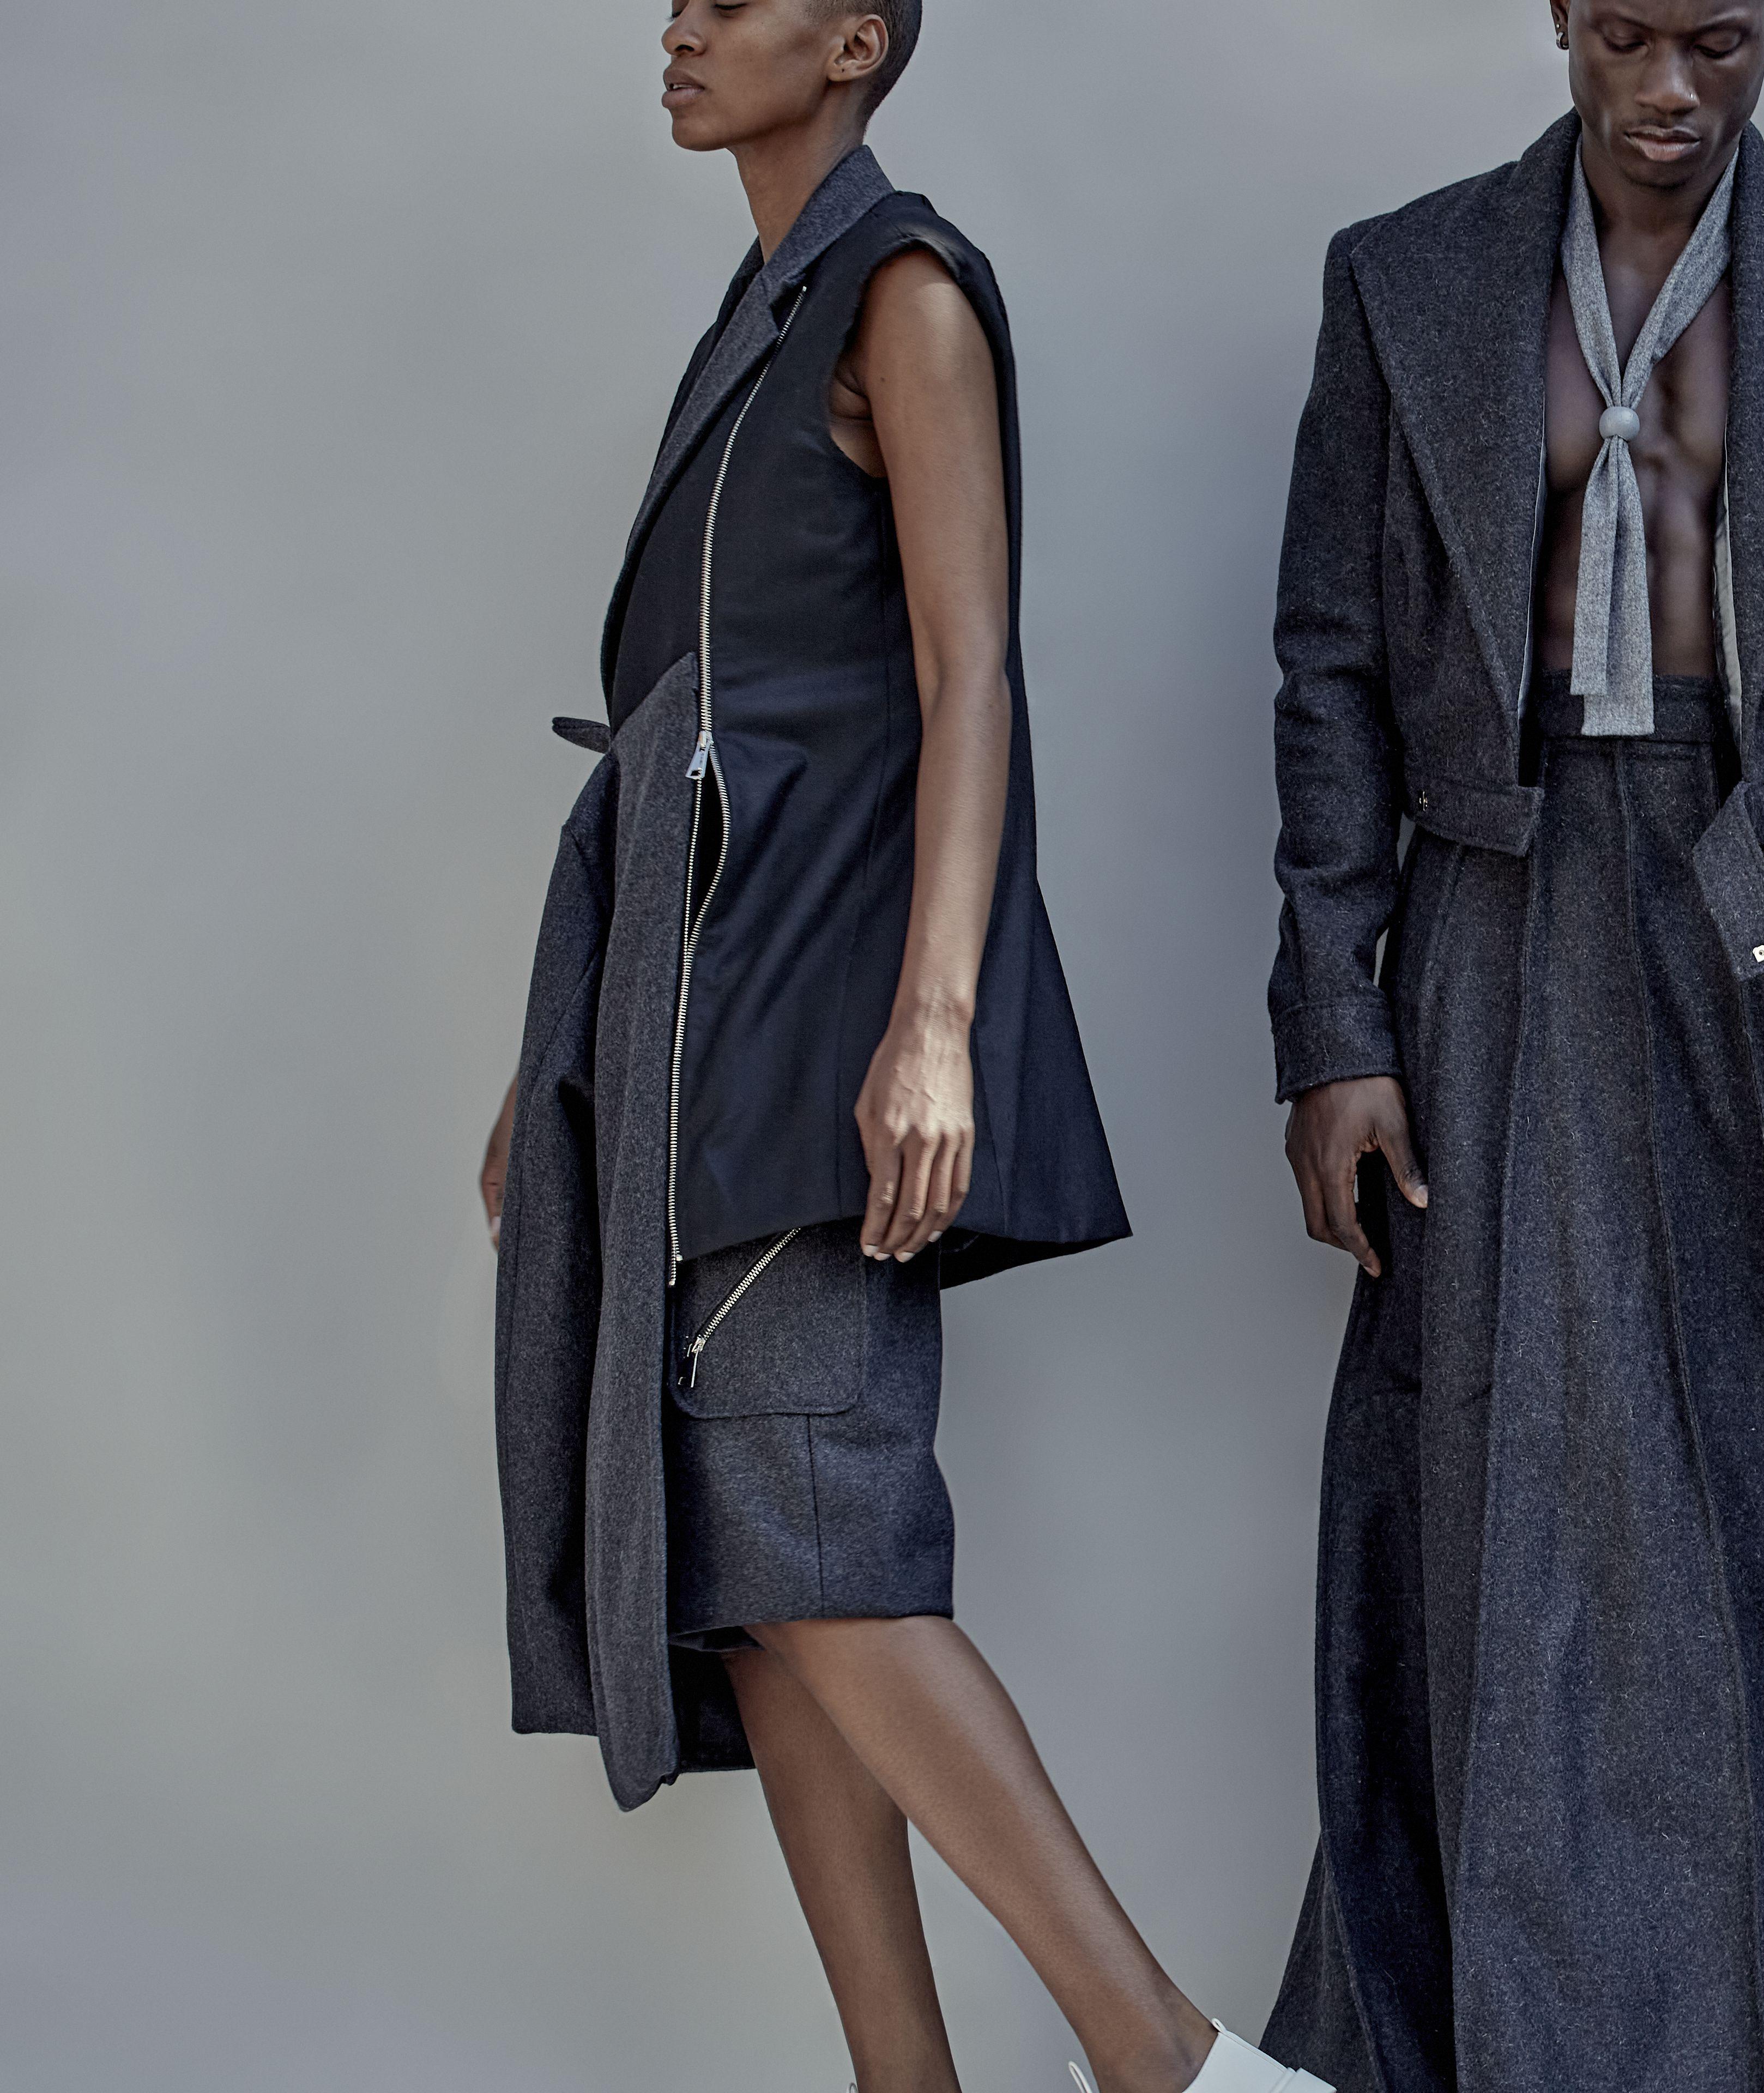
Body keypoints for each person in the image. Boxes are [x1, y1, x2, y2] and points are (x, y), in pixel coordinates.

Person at [478, 6, 1321, 2090]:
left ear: (854, 41)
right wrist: (563, 1055)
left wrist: (934, 1024)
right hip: (691, 1027)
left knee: (821, 1534)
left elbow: (974, 676)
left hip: (817, 1026)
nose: (678, 28)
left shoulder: (907, 291)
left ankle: (1172, 2063)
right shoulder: (760, 312)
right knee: (763, 1585)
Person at [1258, 4, 1764, 2088]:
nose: (1669, 88)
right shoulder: (1402, 277)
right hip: (1489, 919)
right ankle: (1506, 2024)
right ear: (1561, 23)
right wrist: (1333, 1022)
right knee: (1496, 1469)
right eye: (1625, 33)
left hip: (1760, 917)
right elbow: (1328, 671)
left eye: (1717, 38)